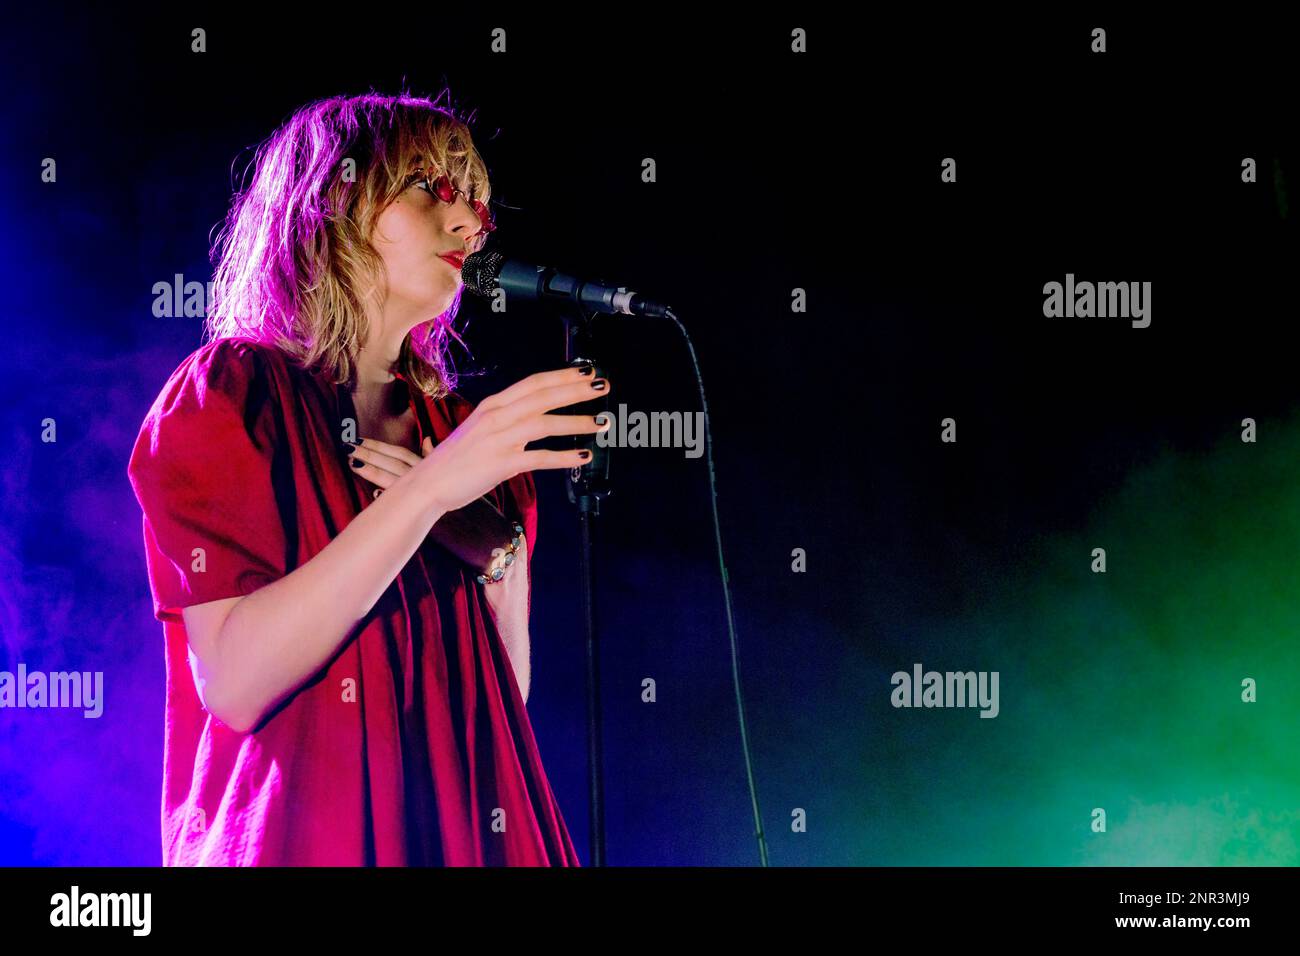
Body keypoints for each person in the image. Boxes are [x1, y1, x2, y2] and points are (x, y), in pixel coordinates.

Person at [126, 91, 609, 866]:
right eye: (430, 188)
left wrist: (499, 557)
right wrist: (425, 497)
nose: (471, 224)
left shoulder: (462, 433)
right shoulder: (231, 395)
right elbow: (238, 681)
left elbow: (500, 703)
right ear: (331, 199)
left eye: (477, 203)